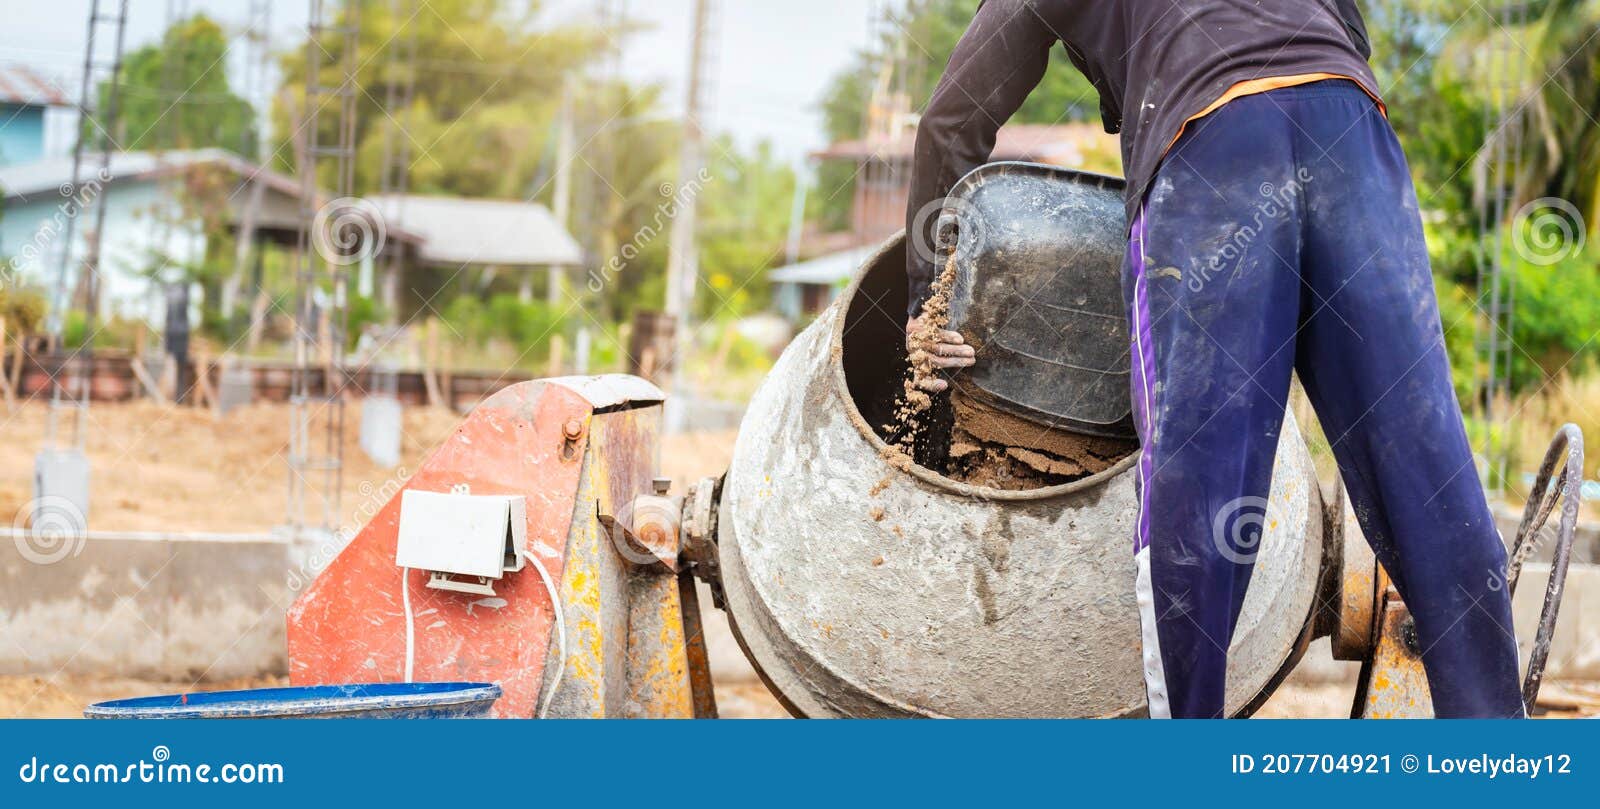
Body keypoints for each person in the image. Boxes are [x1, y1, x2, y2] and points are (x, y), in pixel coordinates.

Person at [904, 0, 1524, 718]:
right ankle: (1498, 752)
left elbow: (952, 119)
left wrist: (928, 301)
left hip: (1214, 150)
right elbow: (1349, 30)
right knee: (1426, 467)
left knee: (1198, 489)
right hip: (1351, 130)